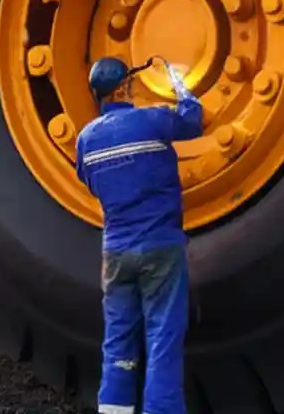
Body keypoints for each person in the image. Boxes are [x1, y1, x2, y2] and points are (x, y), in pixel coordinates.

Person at [75, 56, 203, 414]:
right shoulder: (151, 120)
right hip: (160, 246)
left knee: (118, 343)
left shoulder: (86, 139)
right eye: (128, 82)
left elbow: (88, 181)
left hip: (115, 252)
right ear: (120, 88)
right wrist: (181, 87)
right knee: (163, 339)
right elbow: (193, 121)